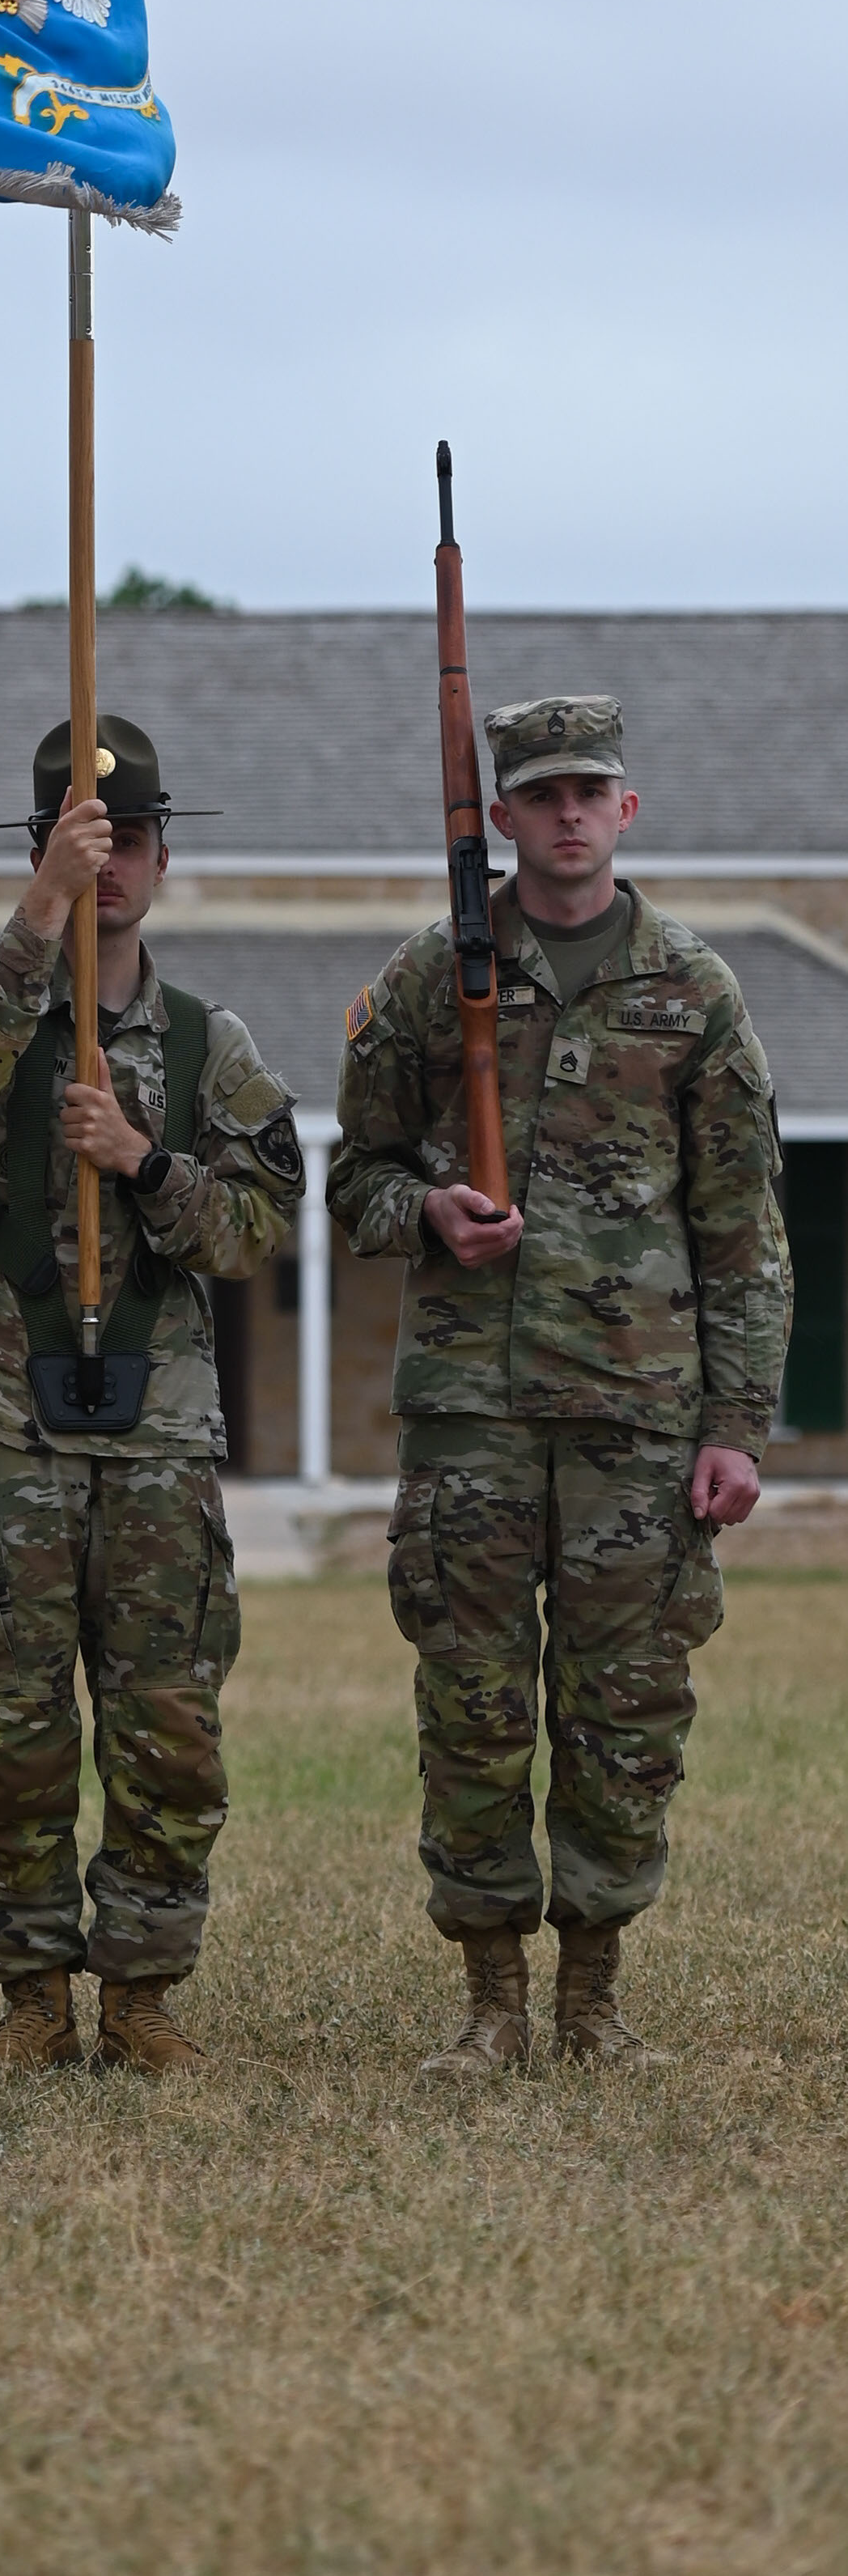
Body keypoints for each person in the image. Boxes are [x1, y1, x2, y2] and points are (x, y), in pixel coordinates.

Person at [329, 694, 789, 2075]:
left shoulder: (691, 989)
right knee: (472, 1704)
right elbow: (347, 1168)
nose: (571, 811)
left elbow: (744, 1228)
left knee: (624, 1710)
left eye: (593, 788)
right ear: (505, 818)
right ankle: (491, 2003)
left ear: (626, 810)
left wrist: (737, 1425)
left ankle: (593, 1999)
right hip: (473, 1408)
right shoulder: (432, 977)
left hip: (637, 1416)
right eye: (543, 792)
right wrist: (427, 1212)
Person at [0, 715, 300, 2077]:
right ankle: (29, 1993)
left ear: (164, 857)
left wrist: (144, 1161)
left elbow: (260, 1231)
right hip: (0, 1412)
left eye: (129, 843)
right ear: (47, 849)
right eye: (88, 844)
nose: (112, 868)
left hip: (157, 1425)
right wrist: (39, 914)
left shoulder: (211, 1043)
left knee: (166, 1722)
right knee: (11, 1723)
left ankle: (141, 1989)